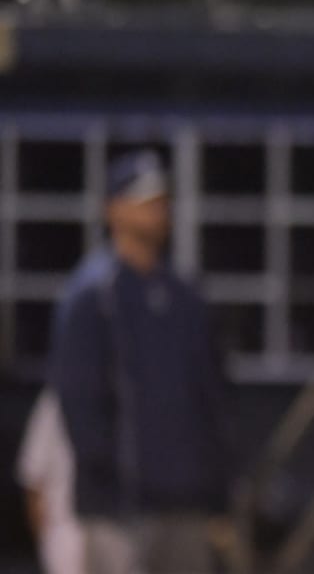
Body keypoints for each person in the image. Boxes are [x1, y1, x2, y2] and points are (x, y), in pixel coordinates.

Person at [49, 149, 236, 574]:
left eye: (161, 201)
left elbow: (213, 394)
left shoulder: (186, 294)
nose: (156, 211)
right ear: (113, 209)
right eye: (143, 201)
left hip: (187, 501)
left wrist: (217, 486)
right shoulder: (94, 295)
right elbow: (77, 400)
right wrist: (108, 481)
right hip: (121, 506)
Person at [16, 388, 85, 574]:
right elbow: (32, 478)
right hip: (66, 530)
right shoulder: (56, 399)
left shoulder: (134, 387)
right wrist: (47, 540)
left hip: (124, 528)